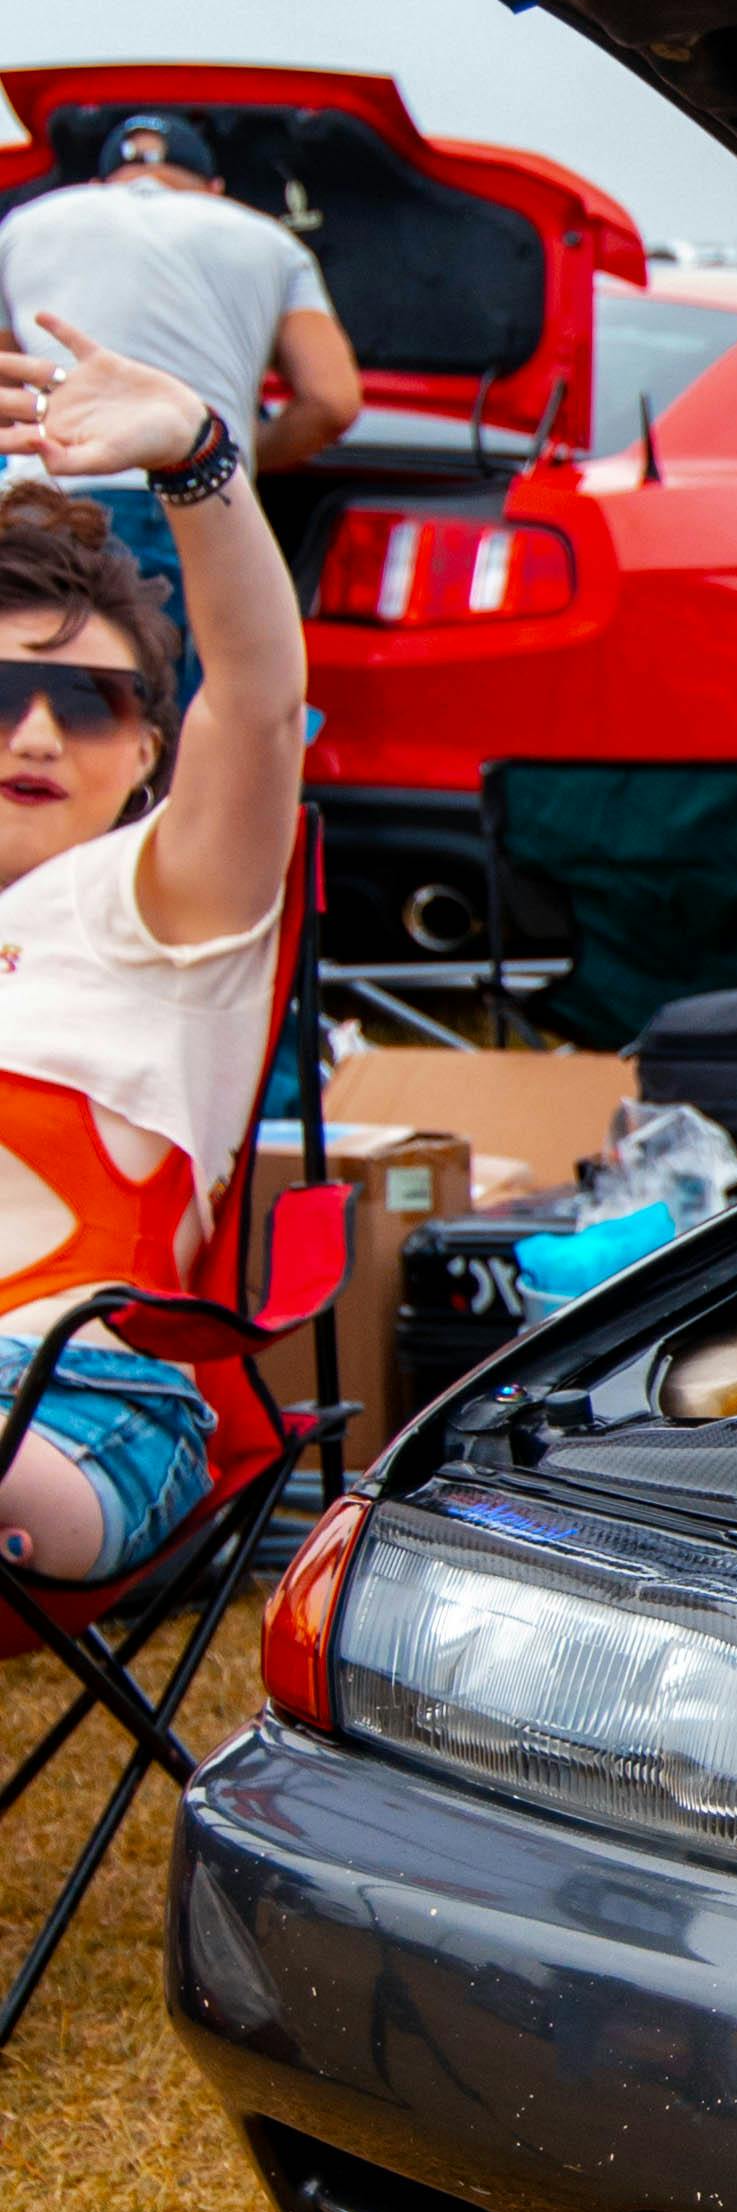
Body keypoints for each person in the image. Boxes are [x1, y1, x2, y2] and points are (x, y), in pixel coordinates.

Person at [0, 304, 313, 1588]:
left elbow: (258, 694)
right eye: (0, 695)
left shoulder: (159, 896)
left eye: (88, 702)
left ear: (146, 752)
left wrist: (196, 459)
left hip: (70, 1400)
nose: (33, 736)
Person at [0, 107, 360, 689]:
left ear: (100, 185)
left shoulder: (28, 222)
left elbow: (7, 382)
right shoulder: (269, 239)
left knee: (29, 712)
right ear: (214, 189)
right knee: (161, 725)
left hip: (41, 500)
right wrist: (231, 451)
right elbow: (332, 401)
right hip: (190, 505)